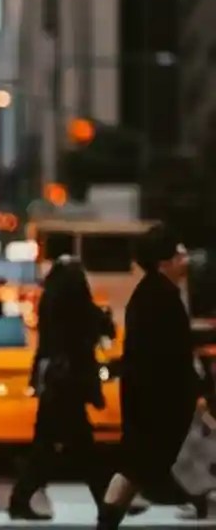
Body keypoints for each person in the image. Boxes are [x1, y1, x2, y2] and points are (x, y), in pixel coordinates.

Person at [98, 225, 204, 529]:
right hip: (156, 404)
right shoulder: (159, 297)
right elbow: (164, 356)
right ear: (164, 262)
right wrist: (192, 388)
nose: (186, 257)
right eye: (179, 252)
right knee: (135, 467)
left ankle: (108, 522)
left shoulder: (154, 292)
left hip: (149, 401)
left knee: (133, 468)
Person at [9, 256, 117, 522]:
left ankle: (108, 501)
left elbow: (45, 347)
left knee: (55, 448)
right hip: (68, 387)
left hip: (55, 384)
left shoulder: (49, 301)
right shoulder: (79, 307)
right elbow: (102, 333)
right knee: (79, 449)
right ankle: (109, 502)